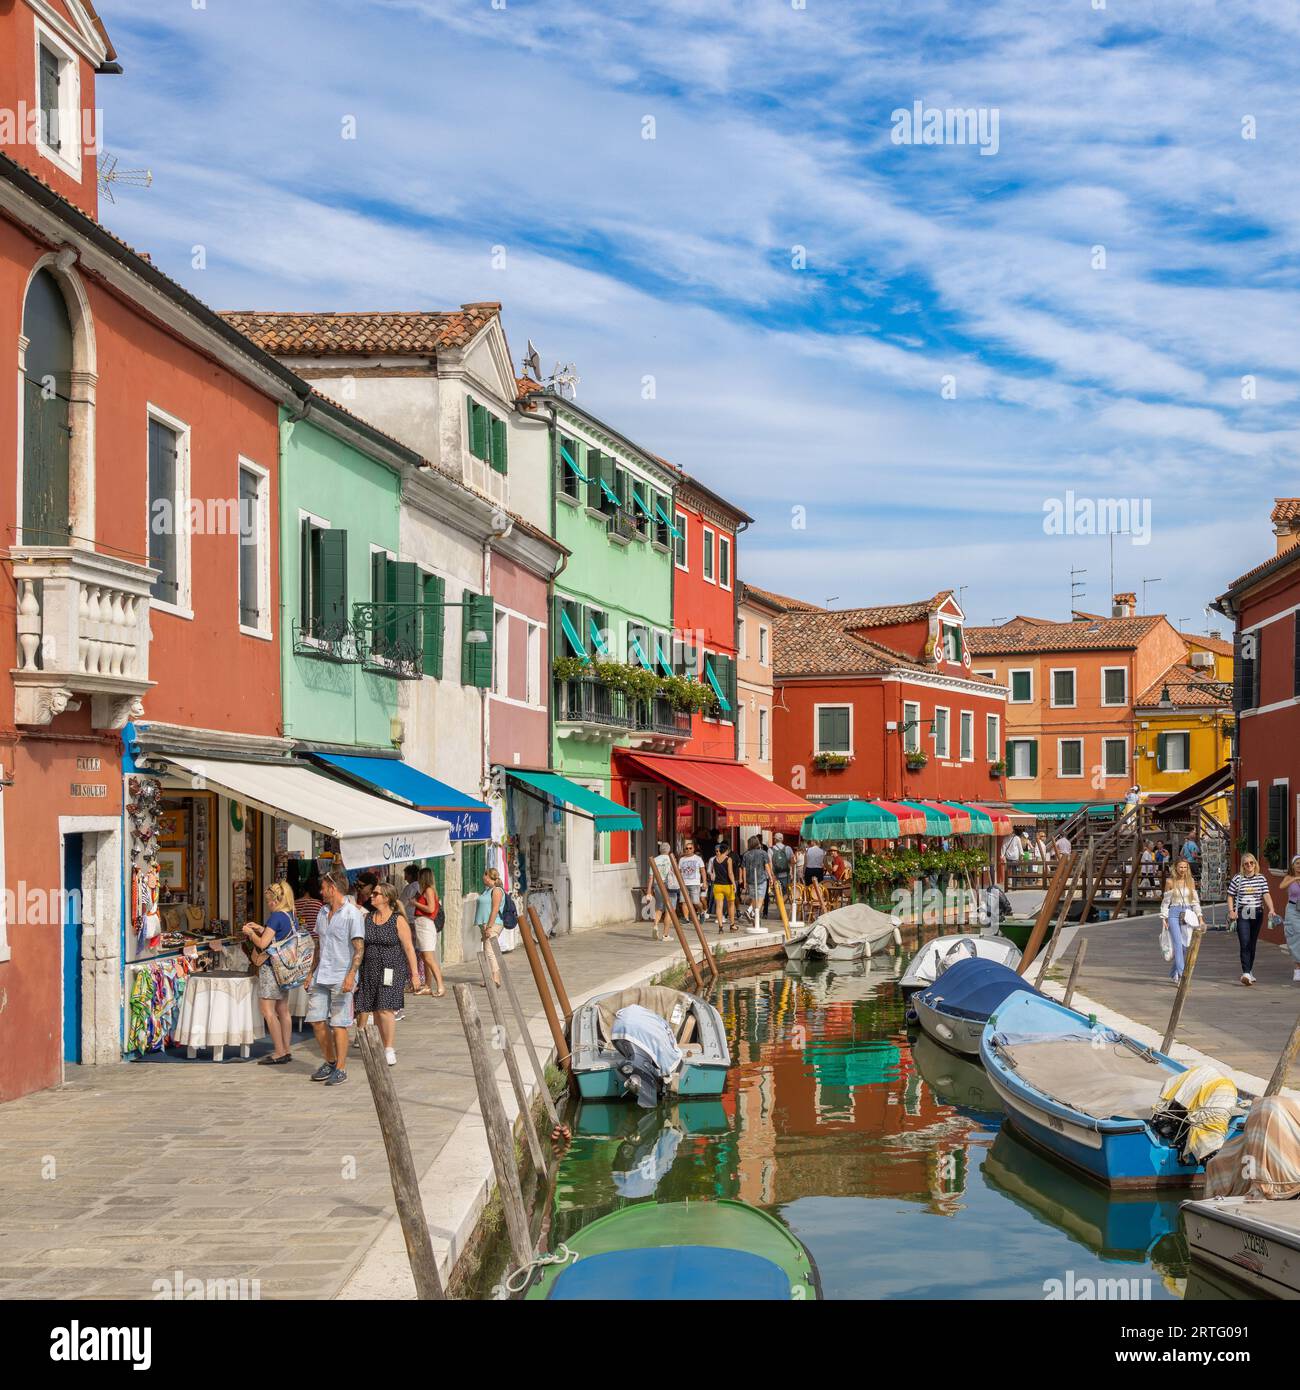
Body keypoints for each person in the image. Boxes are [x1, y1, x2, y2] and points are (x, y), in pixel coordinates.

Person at [305, 870, 365, 1087]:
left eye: (323, 888)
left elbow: (359, 949)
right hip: (322, 974)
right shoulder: (322, 912)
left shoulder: (352, 914)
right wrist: (311, 972)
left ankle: (340, 1068)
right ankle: (330, 1061)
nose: (321, 891)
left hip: (342, 975)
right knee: (316, 1020)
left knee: (339, 1024)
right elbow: (319, 944)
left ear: (333, 888)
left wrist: (351, 976)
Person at [354, 881, 420, 1067]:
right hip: (370, 968)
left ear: (387, 898)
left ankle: (389, 1048)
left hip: (392, 968)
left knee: (386, 1008)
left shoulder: (397, 919)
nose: (372, 896)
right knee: (375, 1008)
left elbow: (408, 947)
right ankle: (380, 1046)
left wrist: (415, 974)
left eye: (376, 894)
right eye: (372, 893)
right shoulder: (368, 918)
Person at [241, 880, 299, 1067]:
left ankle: (279, 1051)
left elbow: (262, 944)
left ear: (275, 900)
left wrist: (251, 933)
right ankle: (287, 1049)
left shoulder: (275, 916)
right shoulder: (291, 915)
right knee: (283, 1009)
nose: (268, 904)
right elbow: (278, 936)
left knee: (268, 1010)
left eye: (268, 901)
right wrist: (261, 928)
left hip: (271, 968)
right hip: (285, 969)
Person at [1227, 854, 1276, 986]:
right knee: (1245, 942)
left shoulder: (1261, 878)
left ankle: (1249, 970)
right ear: (1242, 866)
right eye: (1246, 864)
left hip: (1257, 912)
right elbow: (1230, 895)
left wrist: (1271, 909)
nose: (1249, 865)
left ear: (1255, 864)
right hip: (1242, 912)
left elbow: (1266, 894)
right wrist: (1231, 911)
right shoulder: (1238, 878)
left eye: (1251, 863)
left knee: (1252, 943)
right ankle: (1246, 972)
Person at [1160, 858, 1201, 986]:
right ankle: (1183, 976)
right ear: (1175, 868)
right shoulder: (1170, 882)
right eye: (1180, 867)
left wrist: (1200, 917)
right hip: (1173, 913)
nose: (1183, 869)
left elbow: (1195, 901)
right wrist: (1164, 918)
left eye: (1185, 867)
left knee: (1185, 947)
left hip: (1187, 914)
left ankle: (1174, 973)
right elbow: (1166, 902)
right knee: (1178, 944)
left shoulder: (1190, 882)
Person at [410, 867, 446, 998]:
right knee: (425, 957)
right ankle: (428, 985)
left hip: (426, 924)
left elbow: (430, 908)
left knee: (429, 957)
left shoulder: (429, 890)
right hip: (421, 924)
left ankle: (441, 985)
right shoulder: (424, 891)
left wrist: (415, 903)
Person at [476, 867, 506, 986]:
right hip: (485, 924)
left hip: (493, 924)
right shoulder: (487, 890)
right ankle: (490, 978)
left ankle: (495, 977)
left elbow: (495, 909)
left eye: (484, 875)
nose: (482, 878)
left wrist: (489, 927)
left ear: (488, 876)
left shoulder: (497, 890)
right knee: (487, 950)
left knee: (489, 951)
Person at [646, 842, 680, 942]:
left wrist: (649, 891)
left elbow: (651, 877)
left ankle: (656, 926)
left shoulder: (655, 860)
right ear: (669, 850)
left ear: (660, 850)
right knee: (670, 909)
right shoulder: (671, 859)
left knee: (659, 907)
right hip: (670, 885)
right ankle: (665, 935)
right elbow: (676, 873)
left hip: (658, 885)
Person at [741, 835, 770, 929]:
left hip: (751, 880)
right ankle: (753, 914)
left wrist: (745, 882)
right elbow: (767, 866)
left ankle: (752, 914)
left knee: (754, 899)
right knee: (760, 899)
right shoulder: (763, 853)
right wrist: (771, 877)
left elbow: (744, 869)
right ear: (757, 843)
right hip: (761, 879)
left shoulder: (746, 854)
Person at [709, 841, 737, 932]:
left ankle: (720, 927)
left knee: (719, 906)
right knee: (731, 905)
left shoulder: (714, 860)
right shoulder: (728, 859)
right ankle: (732, 925)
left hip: (717, 885)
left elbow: (714, 873)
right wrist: (734, 883)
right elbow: (730, 873)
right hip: (727, 885)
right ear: (726, 850)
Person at [1280, 856, 1300, 984]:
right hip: (1293, 910)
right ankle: (1298, 968)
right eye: (1297, 863)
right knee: (1296, 934)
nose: (1299, 865)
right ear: (1293, 865)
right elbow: (1282, 886)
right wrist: (1296, 878)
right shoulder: (1289, 878)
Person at [677, 839, 706, 921]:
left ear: (693, 849)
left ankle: (702, 911)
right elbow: (679, 872)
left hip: (695, 883)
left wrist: (704, 882)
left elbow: (703, 870)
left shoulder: (698, 859)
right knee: (684, 901)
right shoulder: (682, 859)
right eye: (687, 848)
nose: (688, 850)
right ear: (684, 850)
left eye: (690, 848)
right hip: (684, 884)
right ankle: (686, 918)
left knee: (695, 902)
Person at [768, 833, 794, 917]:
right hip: (786, 875)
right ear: (782, 839)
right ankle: (782, 910)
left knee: (777, 895)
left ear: (775, 839)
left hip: (776, 875)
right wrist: (792, 872)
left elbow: (770, 864)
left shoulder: (770, 850)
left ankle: (781, 912)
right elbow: (792, 861)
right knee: (788, 893)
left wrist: (772, 876)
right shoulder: (788, 848)